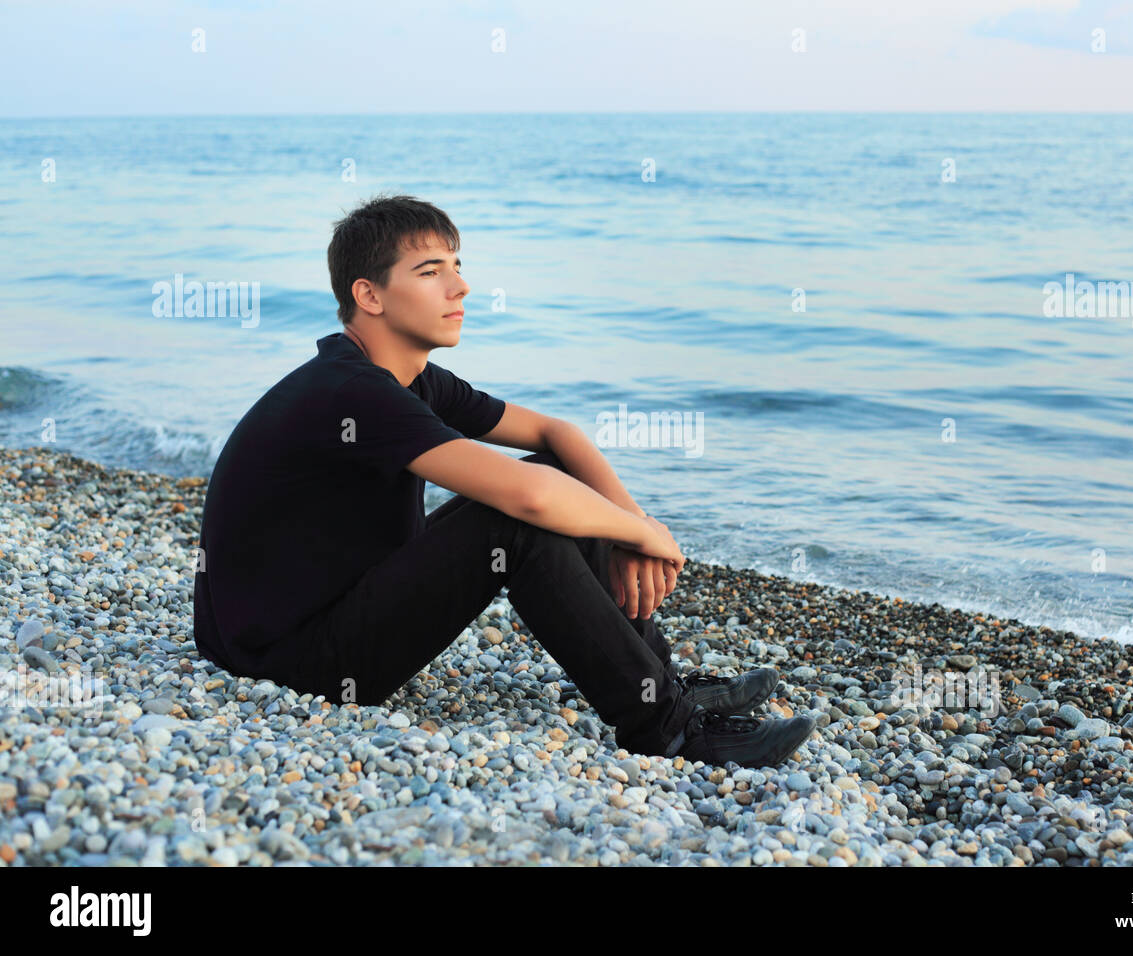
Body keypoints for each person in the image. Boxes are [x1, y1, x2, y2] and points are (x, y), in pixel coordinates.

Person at [192, 193, 814, 768]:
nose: (461, 286)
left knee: (555, 481)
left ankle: (660, 679)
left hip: (324, 617)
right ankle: (668, 728)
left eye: (457, 265)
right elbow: (528, 498)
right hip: (286, 660)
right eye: (431, 271)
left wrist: (635, 526)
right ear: (370, 295)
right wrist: (644, 533)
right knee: (513, 519)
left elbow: (555, 437)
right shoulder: (354, 393)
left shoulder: (408, 380)